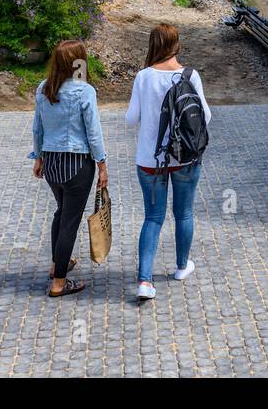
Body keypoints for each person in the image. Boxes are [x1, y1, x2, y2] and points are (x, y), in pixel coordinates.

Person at [125, 23, 211, 302]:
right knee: (184, 214)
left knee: (153, 218)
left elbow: (131, 119)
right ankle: (182, 267)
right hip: (185, 159)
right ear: (176, 45)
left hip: (151, 161)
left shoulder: (143, 77)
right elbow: (206, 117)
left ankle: (145, 282)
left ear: (153, 45)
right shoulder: (191, 75)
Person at [29, 40, 108, 297]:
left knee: (62, 213)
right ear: (79, 61)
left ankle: (56, 265)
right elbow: (93, 133)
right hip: (77, 164)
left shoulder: (44, 88)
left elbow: (37, 128)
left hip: (51, 162)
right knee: (70, 222)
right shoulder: (84, 91)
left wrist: (38, 157)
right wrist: (102, 164)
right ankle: (59, 283)